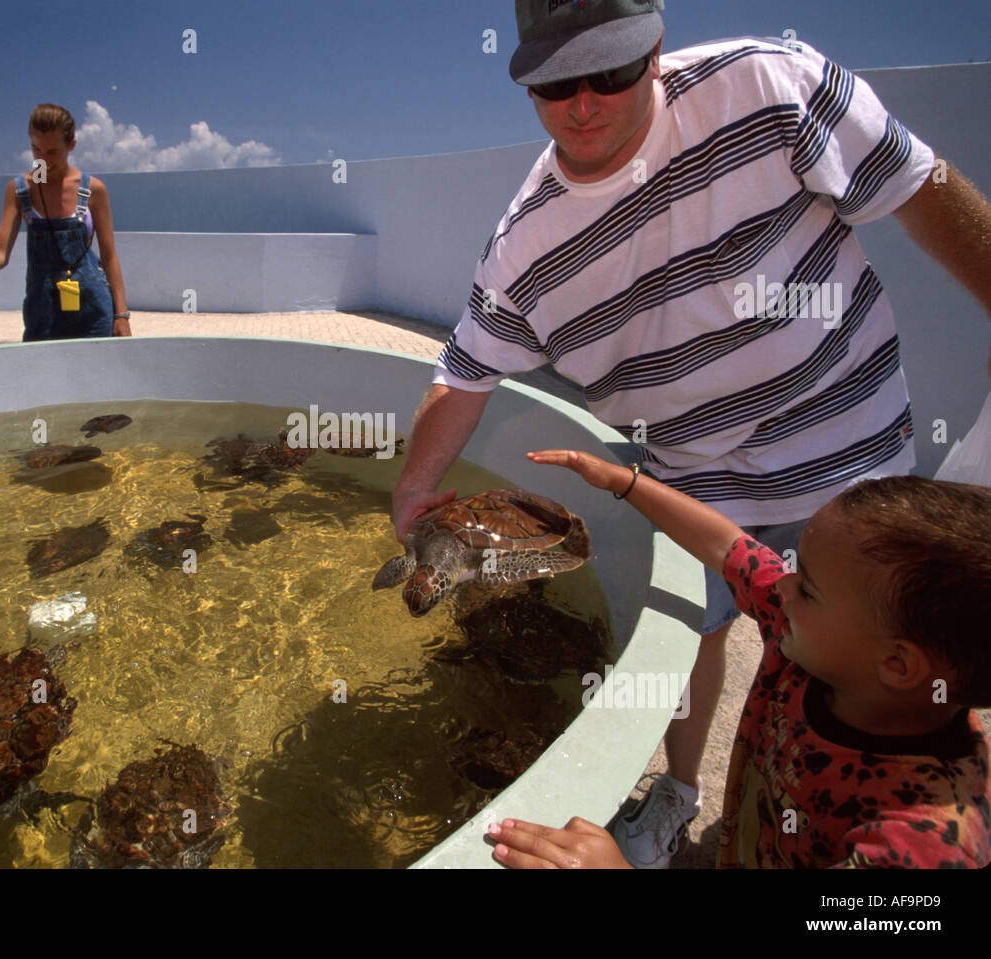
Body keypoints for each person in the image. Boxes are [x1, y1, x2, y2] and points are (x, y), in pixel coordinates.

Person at [391, 0, 991, 867]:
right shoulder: (523, 247)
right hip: (694, 480)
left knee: (893, 663)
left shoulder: (768, 84)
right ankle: (686, 793)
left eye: (614, 70)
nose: (585, 103)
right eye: (558, 81)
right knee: (693, 635)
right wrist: (414, 487)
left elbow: (919, 183)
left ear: (657, 47)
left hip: (852, 463)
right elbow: (465, 371)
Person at [488, 449, 990, 868]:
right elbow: (728, 545)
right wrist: (624, 482)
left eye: (808, 587)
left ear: (899, 665)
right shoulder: (821, 644)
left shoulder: (921, 845)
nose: (782, 582)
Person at [0, 104, 130, 340]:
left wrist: (121, 315)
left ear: (71, 145)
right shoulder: (20, 190)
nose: (42, 160)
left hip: (92, 309)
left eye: (52, 152)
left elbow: (109, 256)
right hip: (43, 310)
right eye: (36, 150)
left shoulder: (93, 190)